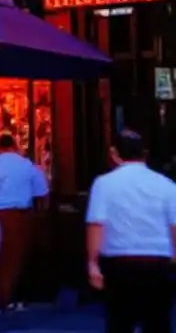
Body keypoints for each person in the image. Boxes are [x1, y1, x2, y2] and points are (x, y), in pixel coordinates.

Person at [85, 129, 175, 333]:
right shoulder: (166, 185)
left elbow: (96, 224)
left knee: (119, 322)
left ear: (114, 154)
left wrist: (92, 263)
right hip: (157, 261)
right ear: (144, 154)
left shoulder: (104, 184)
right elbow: (174, 225)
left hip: (119, 262)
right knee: (158, 322)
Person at [0, 132, 48, 311]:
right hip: (20, 215)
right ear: (15, 146)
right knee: (17, 257)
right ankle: (11, 297)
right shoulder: (27, 165)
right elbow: (42, 191)